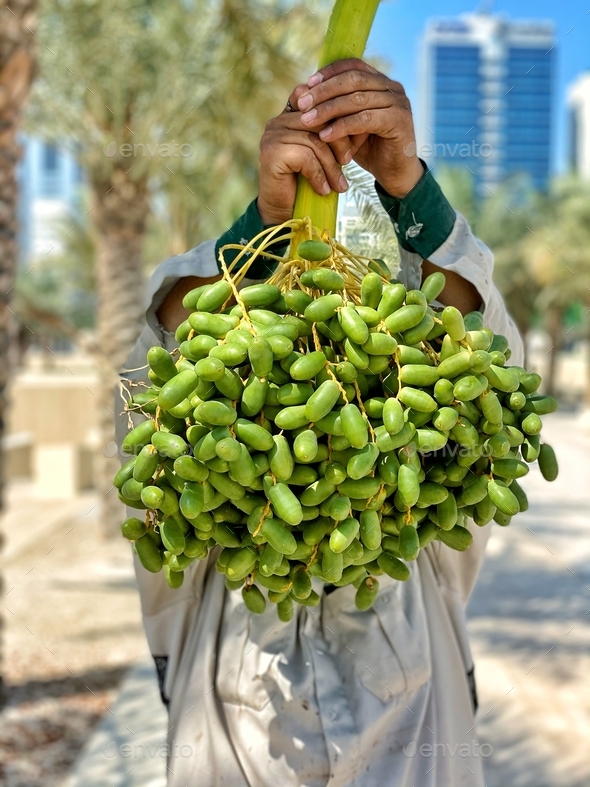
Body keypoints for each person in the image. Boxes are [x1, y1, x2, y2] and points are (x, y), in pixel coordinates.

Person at [116, 59, 522, 787]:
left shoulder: (415, 516)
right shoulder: (216, 525)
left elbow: (491, 365)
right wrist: (265, 226)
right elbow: (157, 363)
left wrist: (410, 189)